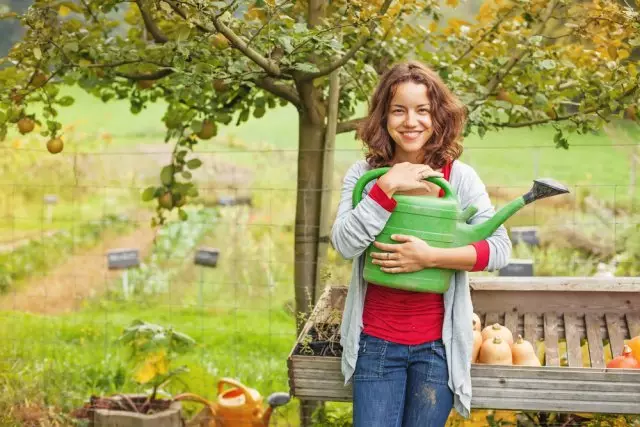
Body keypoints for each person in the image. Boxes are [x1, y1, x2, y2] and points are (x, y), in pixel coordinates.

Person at [330, 61, 512, 427]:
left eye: (422, 110)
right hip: (376, 343)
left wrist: (429, 257)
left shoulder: (458, 179)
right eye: (399, 110)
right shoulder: (365, 176)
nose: (410, 121)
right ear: (384, 117)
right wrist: (386, 189)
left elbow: (499, 248)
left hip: (437, 348)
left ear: (438, 117)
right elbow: (345, 243)